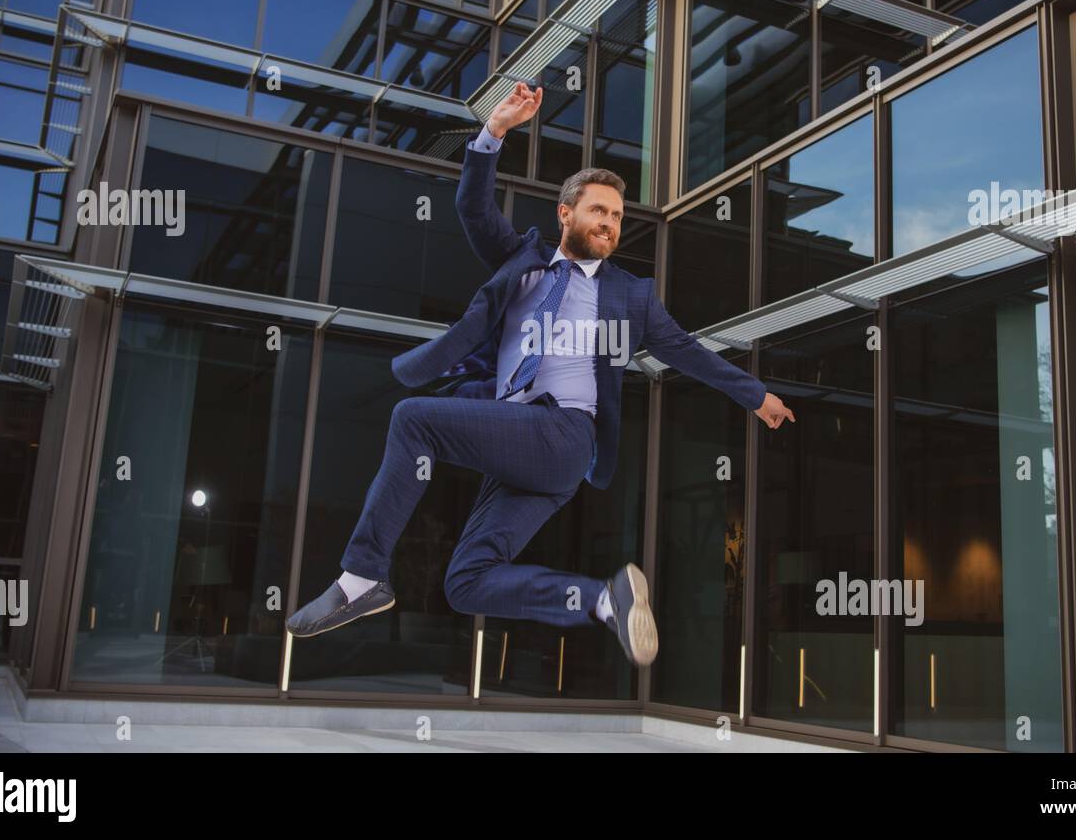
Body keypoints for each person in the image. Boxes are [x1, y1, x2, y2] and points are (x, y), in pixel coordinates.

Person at [287, 82, 794, 666]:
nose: (610, 222)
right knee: (467, 582)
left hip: (562, 437)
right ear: (565, 213)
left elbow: (687, 351)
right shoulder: (521, 261)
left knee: (414, 419)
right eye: (599, 210)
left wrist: (756, 396)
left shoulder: (632, 295)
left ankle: (360, 580)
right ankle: (604, 600)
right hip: (520, 444)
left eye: (618, 216)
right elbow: (472, 210)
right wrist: (493, 133)